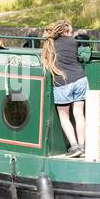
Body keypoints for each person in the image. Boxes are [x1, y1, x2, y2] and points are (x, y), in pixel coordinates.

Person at [40, 20, 88, 158]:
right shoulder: (73, 42)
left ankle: (74, 147)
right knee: (79, 114)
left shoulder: (50, 45)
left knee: (64, 116)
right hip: (80, 79)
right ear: (65, 32)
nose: (72, 34)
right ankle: (83, 147)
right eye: (70, 31)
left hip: (64, 81)